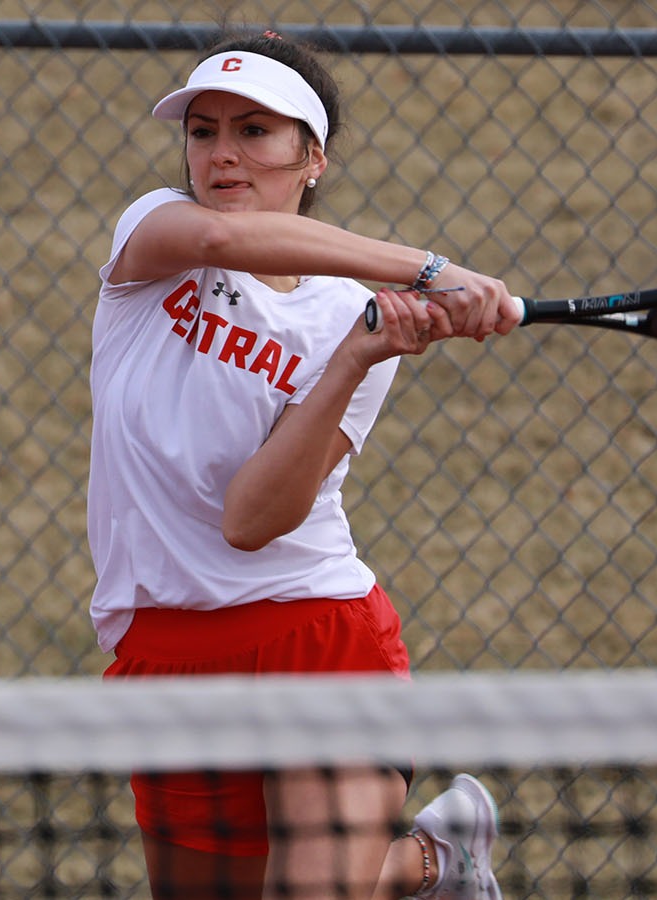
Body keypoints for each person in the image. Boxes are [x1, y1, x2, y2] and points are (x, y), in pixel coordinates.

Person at [87, 28, 521, 900]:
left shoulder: (349, 315)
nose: (222, 154)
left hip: (317, 633)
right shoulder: (154, 241)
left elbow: (253, 519)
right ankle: (425, 868)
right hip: (163, 652)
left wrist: (356, 357)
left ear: (311, 156)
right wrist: (433, 270)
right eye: (203, 130)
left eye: (255, 131)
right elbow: (221, 241)